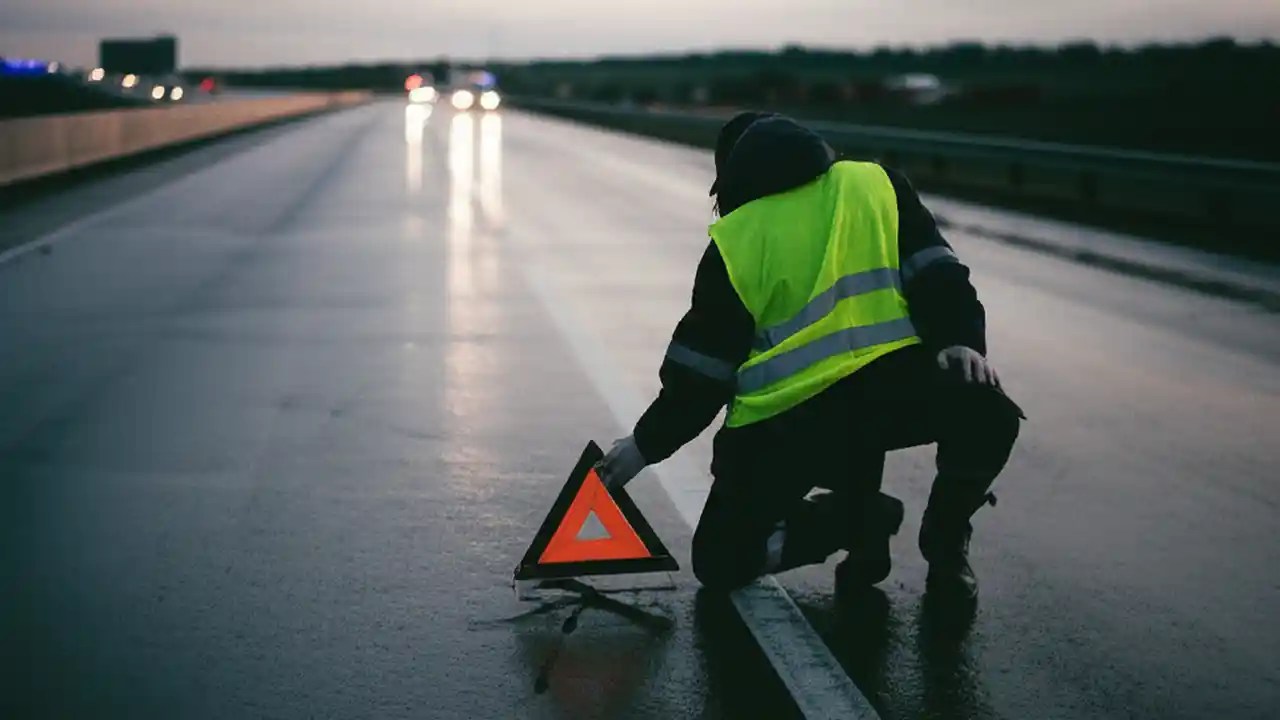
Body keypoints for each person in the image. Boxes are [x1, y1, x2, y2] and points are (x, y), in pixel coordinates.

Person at [596, 112, 1023, 602]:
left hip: (788, 426)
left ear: (732, 180)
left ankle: (922, 539)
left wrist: (643, 447)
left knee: (721, 561)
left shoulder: (738, 242)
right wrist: (960, 339)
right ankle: (875, 523)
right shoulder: (876, 185)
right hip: (886, 399)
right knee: (984, 408)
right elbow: (938, 271)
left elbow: (700, 375)